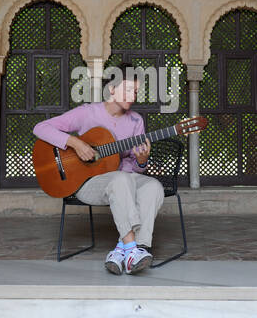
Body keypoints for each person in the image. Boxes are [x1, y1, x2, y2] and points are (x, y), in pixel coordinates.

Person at [33, 76, 165, 274]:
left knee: (153, 186)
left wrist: (141, 161)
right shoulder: (88, 113)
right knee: (121, 179)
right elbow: (40, 128)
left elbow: (133, 167)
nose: (133, 96)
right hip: (86, 183)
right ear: (111, 89)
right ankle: (130, 248)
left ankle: (130, 250)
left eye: (136, 91)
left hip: (120, 180)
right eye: (128, 89)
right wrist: (76, 143)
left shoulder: (136, 120)